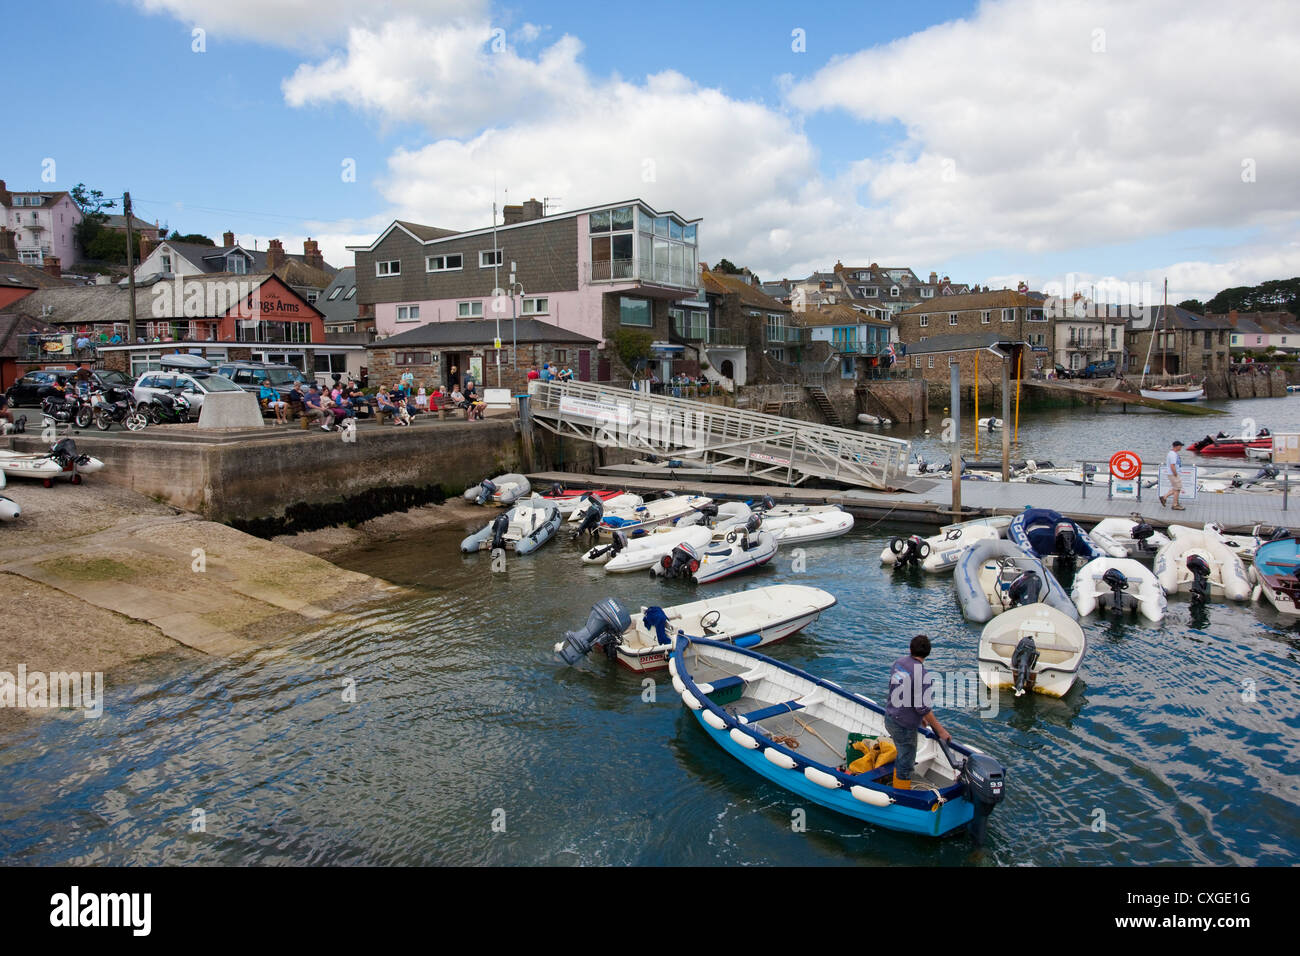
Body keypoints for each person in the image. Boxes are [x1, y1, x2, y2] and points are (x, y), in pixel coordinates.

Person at [884, 635, 951, 791]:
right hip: (903, 726)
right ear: (927, 653)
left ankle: (896, 779)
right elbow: (923, 707)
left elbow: (897, 688)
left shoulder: (898, 663)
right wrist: (941, 731)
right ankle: (900, 792)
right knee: (906, 761)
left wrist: (919, 715)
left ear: (910, 649)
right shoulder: (923, 675)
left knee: (902, 753)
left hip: (889, 717)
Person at [1160, 440, 1187, 511]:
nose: (1181, 447)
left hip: (1172, 473)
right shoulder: (1172, 454)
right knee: (1177, 489)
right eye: (1180, 446)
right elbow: (1172, 465)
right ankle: (1175, 505)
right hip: (1173, 474)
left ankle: (1164, 497)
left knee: (1176, 488)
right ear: (1177, 446)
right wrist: (1175, 473)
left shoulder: (1173, 453)